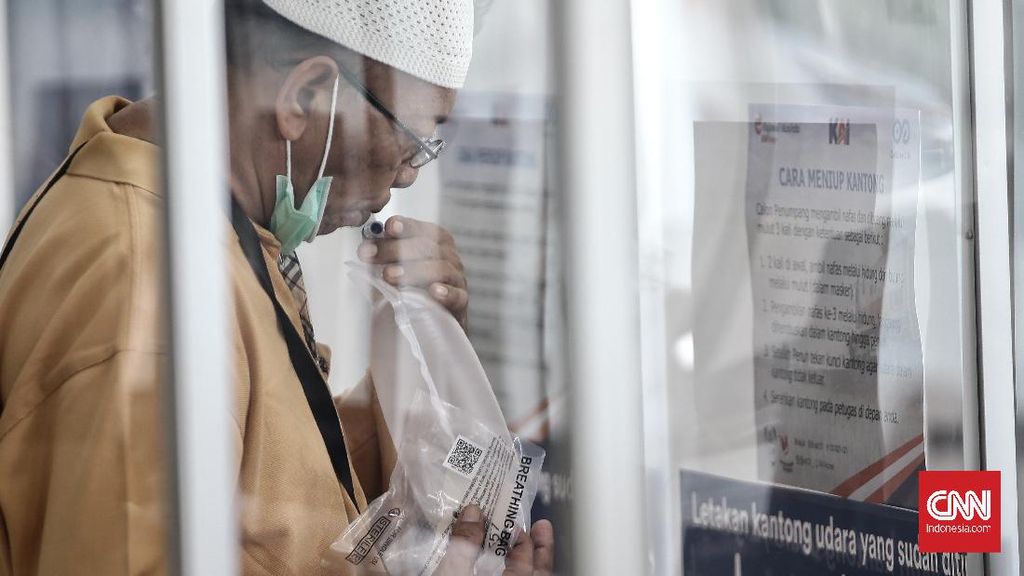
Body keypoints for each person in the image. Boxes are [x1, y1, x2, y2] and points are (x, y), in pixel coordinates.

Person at [0, 0, 552, 574]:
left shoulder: (207, 230)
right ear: (306, 96)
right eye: (413, 140)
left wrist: (418, 348)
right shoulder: (147, 289)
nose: (410, 173)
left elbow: (283, 492)